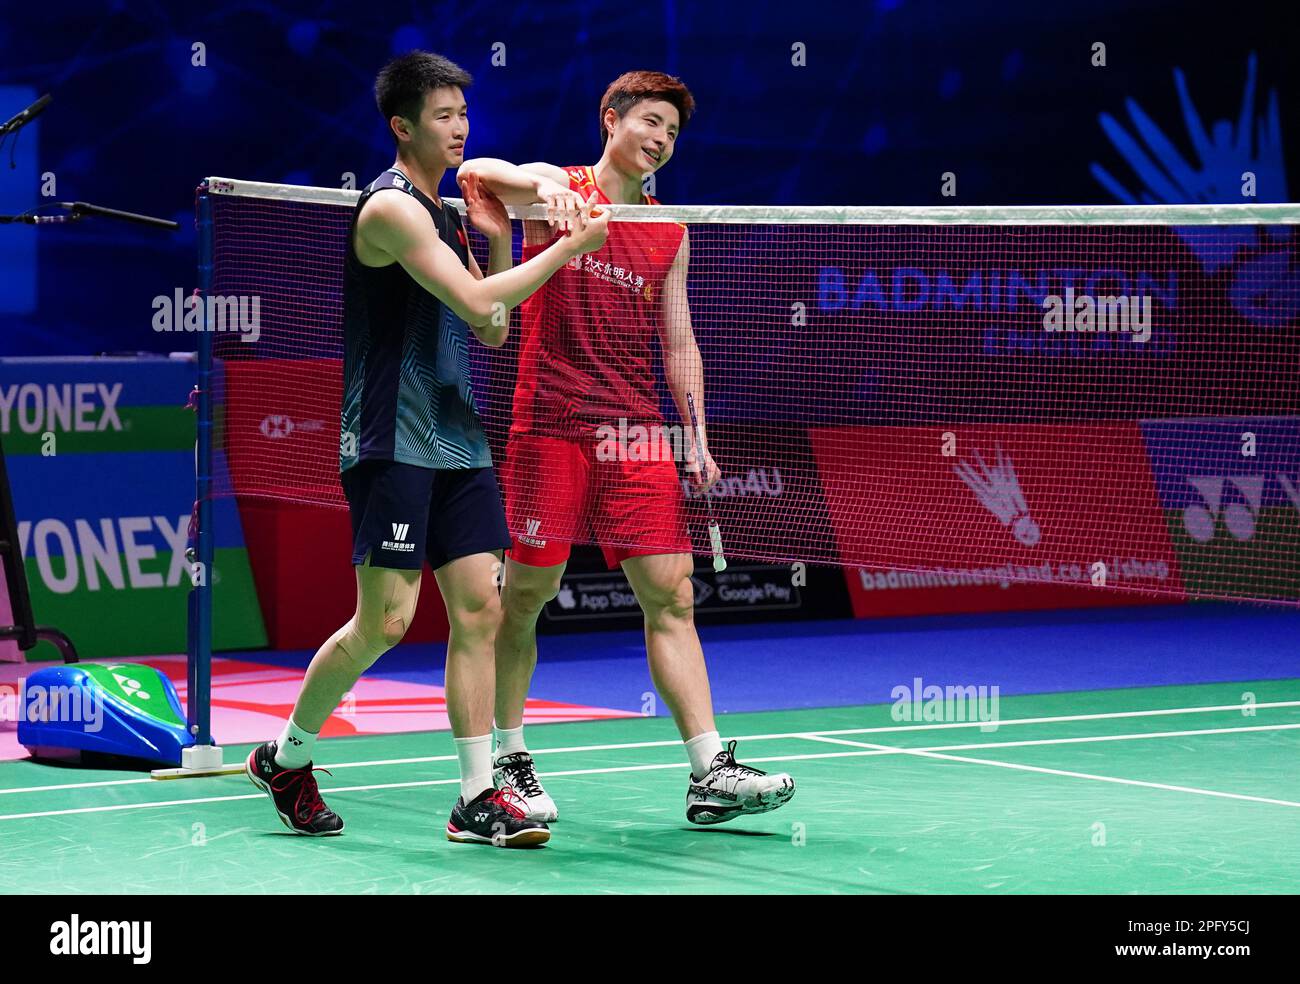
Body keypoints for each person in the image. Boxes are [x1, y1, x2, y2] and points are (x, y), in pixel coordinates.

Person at [246, 51, 606, 848]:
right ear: (402, 126)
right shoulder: (391, 211)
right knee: (386, 623)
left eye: (464, 114)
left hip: (457, 437)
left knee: (480, 608)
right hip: (391, 440)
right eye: (443, 116)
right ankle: (286, 755)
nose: (459, 129)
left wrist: (506, 237)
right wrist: (566, 251)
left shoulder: (448, 212)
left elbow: (491, 325)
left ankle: (477, 797)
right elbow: (478, 300)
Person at [458, 71, 796, 826]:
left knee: (672, 594)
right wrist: (547, 198)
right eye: (649, 122)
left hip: (634, 431)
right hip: (548, 426)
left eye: (672, 133)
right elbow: (475, 173)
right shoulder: (559, 188)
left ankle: (710, 767)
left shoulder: (667, 230)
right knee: (527, 599)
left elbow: (678, 338)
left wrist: (697, 437)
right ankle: (510, 759)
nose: (660, 140)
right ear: (610, 119)